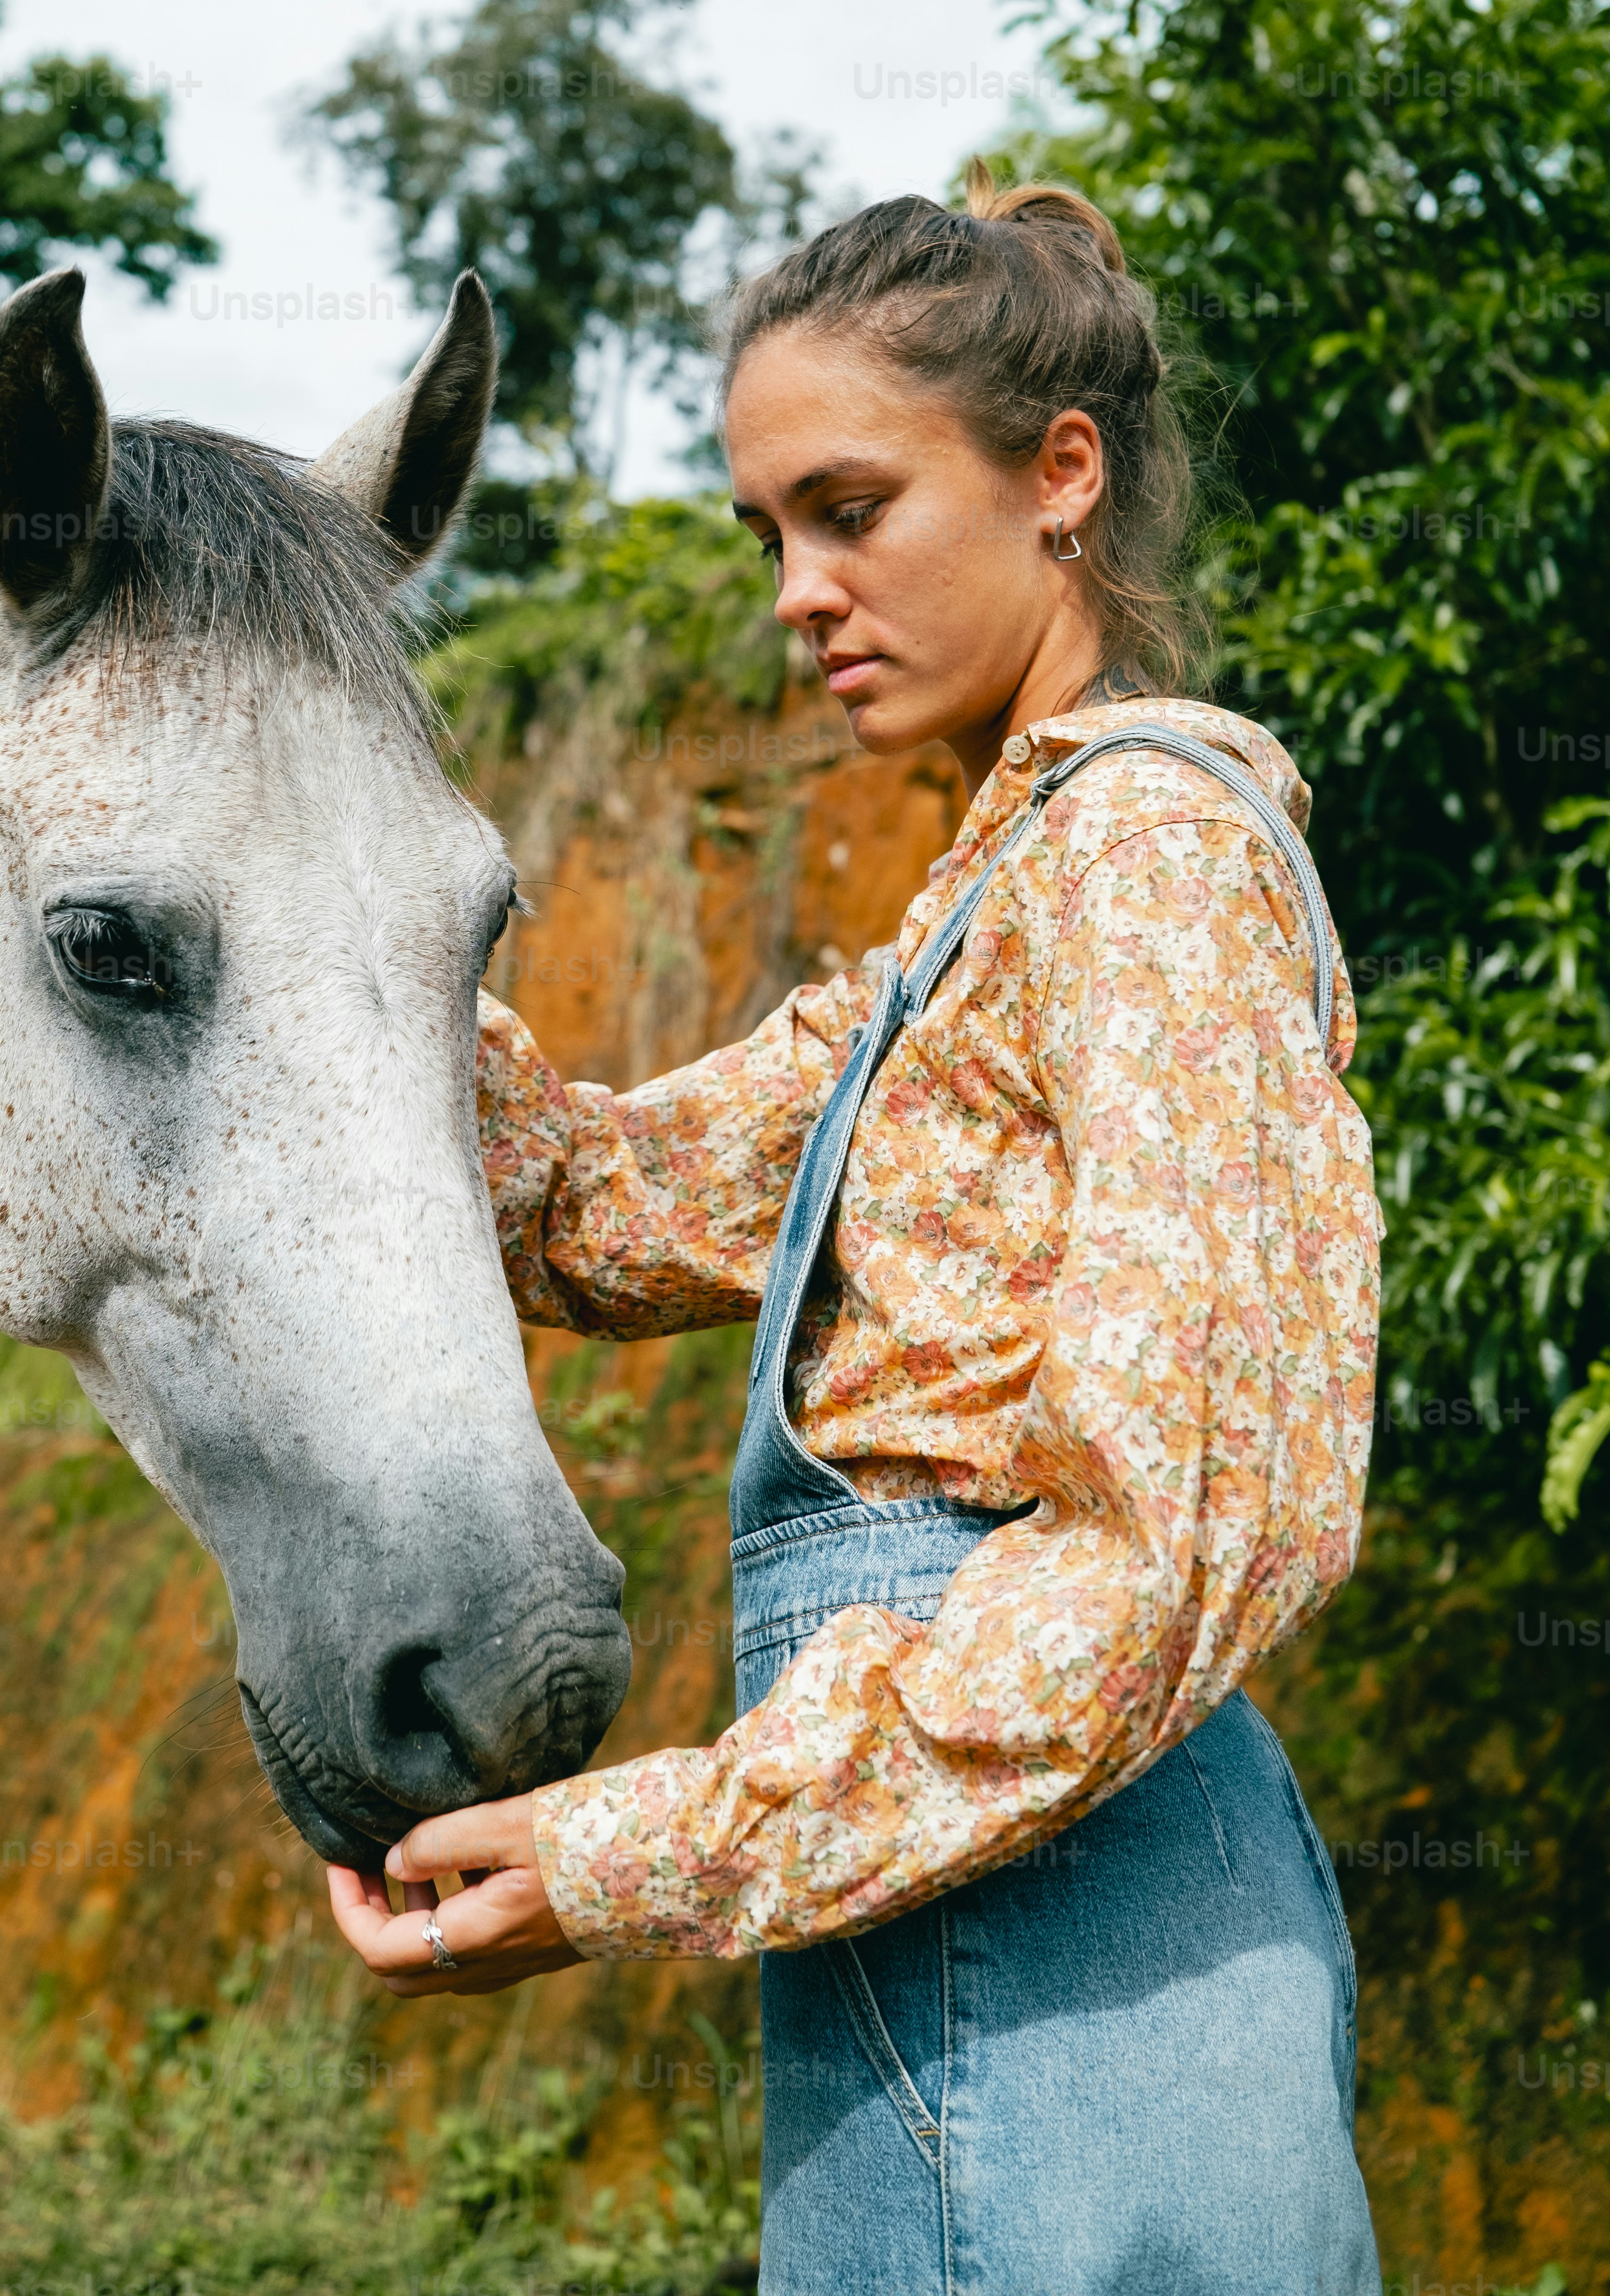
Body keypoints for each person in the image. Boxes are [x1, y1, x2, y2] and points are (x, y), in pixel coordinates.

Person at [329, 167, 1383, 2296]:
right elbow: (589, 1212)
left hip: (1058, 1958)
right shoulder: (971, 927)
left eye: (851, 509)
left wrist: (631, 1850)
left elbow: (1181, 1535)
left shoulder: (1146, 861)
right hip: (957, 1928)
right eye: (765, 536)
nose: (799, 594)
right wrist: (338, 875)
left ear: (1059, 476)